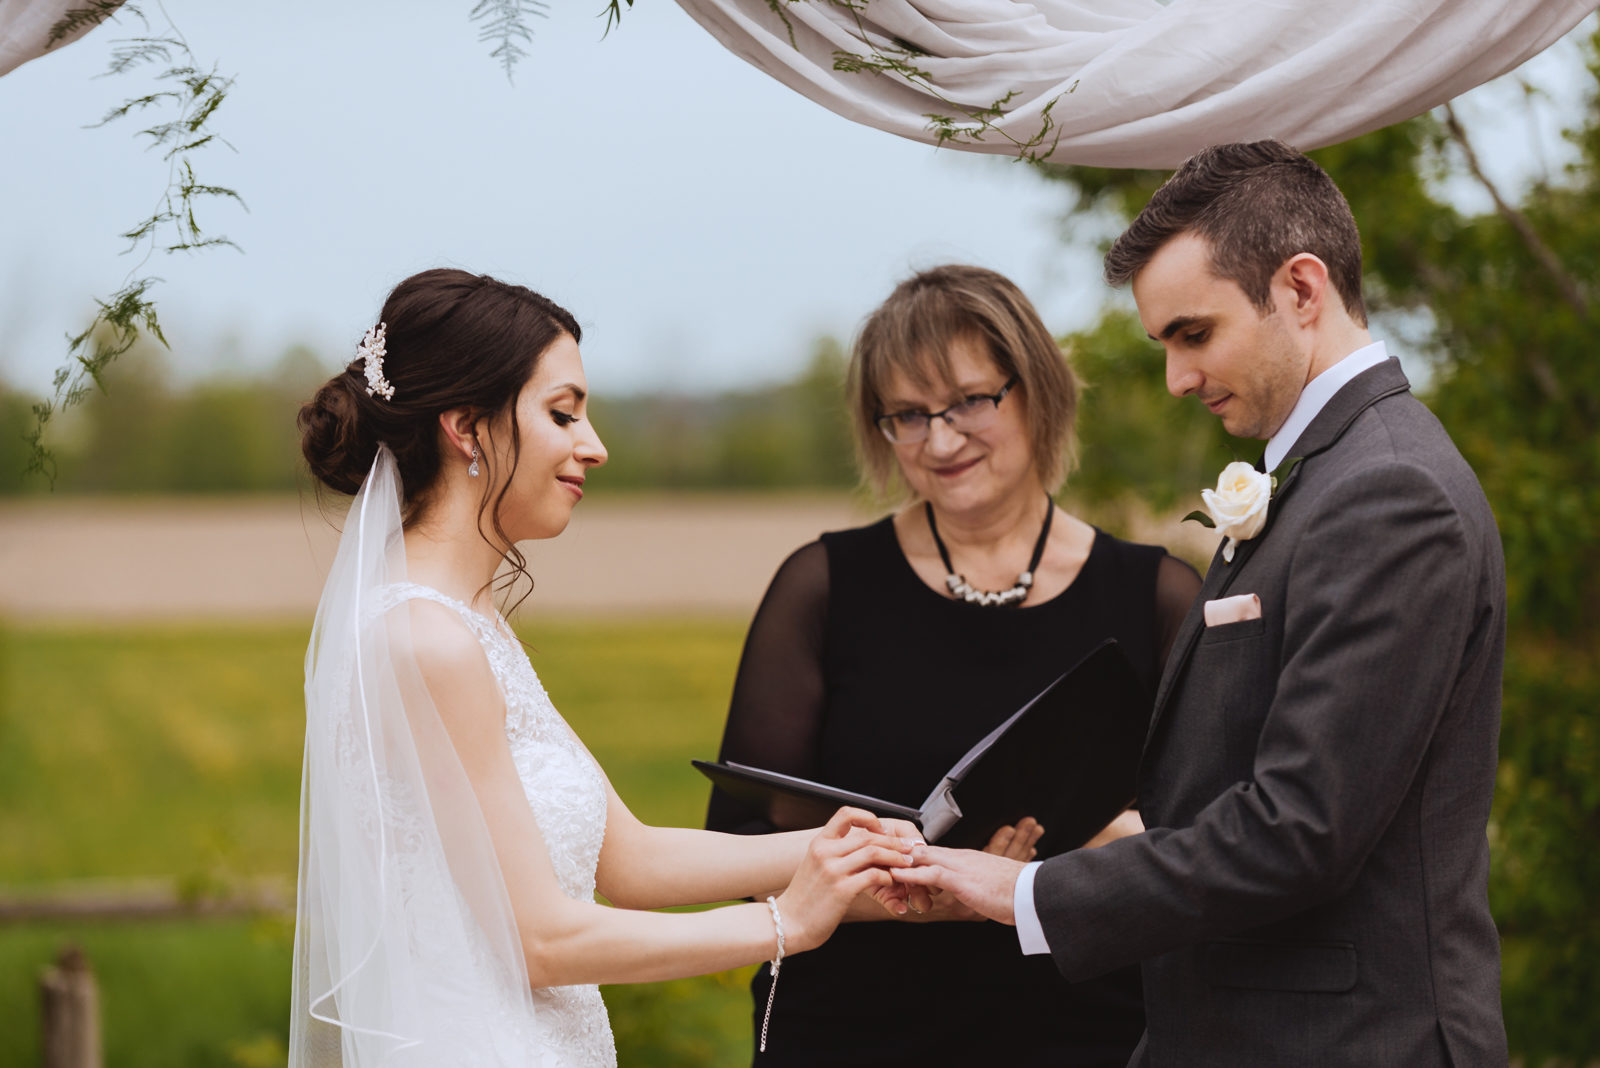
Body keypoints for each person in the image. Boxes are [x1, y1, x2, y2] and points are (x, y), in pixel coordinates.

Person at [896, 141, 1509, 1066]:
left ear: (1302, 290)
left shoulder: (1389, 492)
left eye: (1195, 333)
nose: (1178, 378)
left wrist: (1024, 893)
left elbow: (1299, 830)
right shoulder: (1330, 476)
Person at [289, 268, 924, 1068]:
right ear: (466, 428)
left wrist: (856, 849)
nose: (595, 446)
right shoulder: (426, 639)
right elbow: (542, 940)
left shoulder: (468, 622)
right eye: (562, 413)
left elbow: (629, 860)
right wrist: (783, 926)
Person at [705, 264, 1203, 1066]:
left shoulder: (1158, 598)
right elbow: (740, 847)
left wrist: (1057, 865)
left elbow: (1215, 843)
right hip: (852, 1033)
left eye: (971, 401)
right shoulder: (823, 588)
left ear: (1038, 388)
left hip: (1093, 1035)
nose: (939, 441)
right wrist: (908, 892)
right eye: (906, 415)